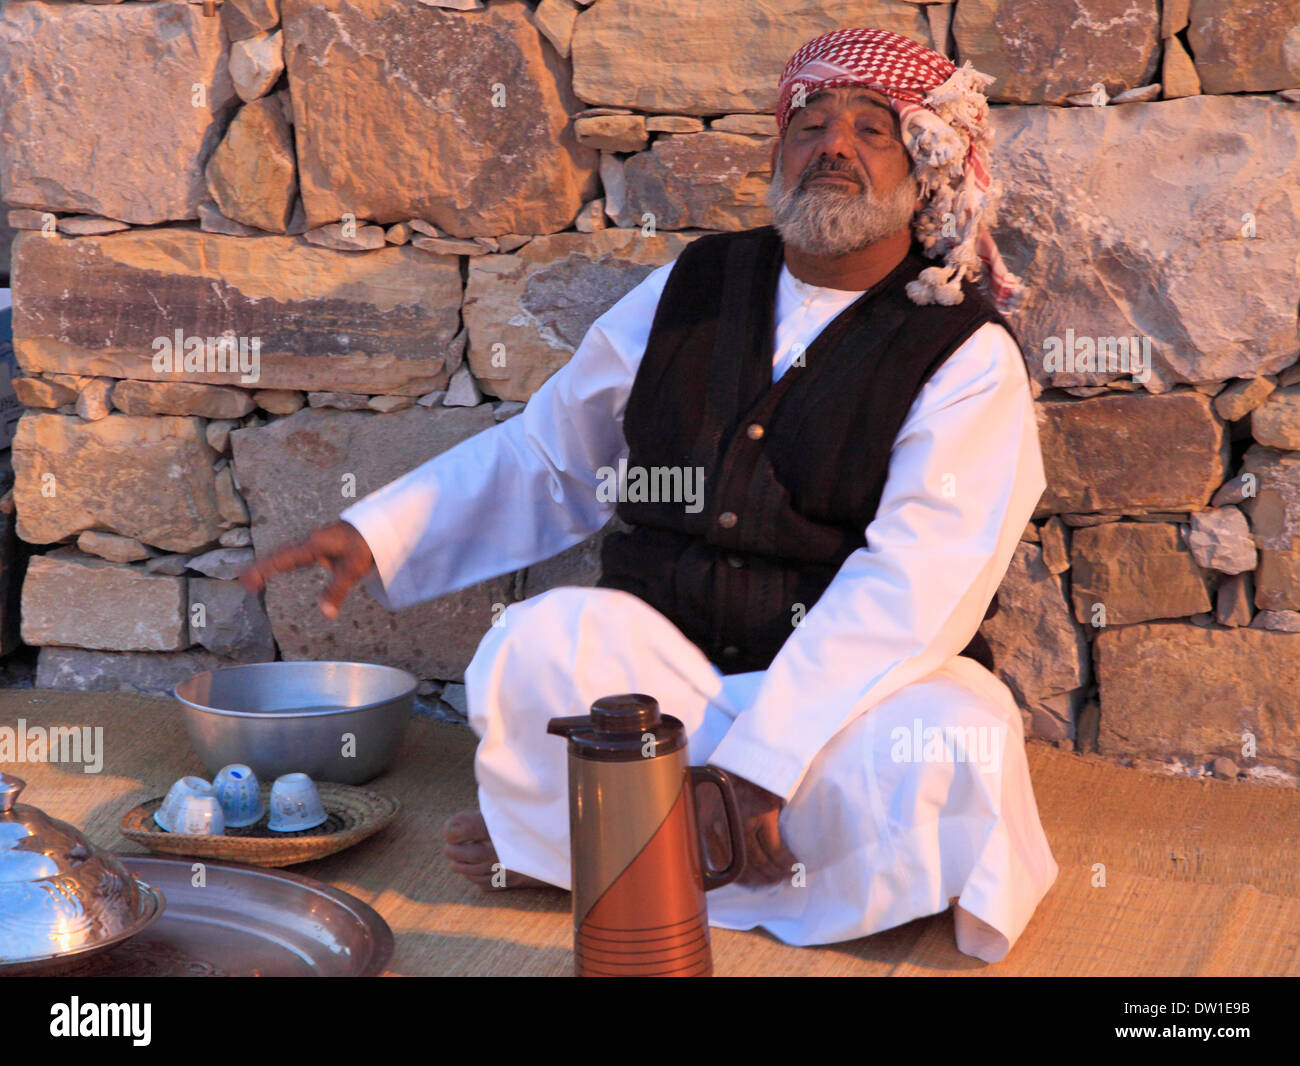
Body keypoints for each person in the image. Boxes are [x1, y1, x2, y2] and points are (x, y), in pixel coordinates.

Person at [238, 26, 1058, 964]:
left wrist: (763, 766)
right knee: (541, 643)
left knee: (956, 736)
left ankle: (611, 847)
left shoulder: (963, 349)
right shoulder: (699, 286)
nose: (834, 145)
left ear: (929, 172)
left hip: (844, 704)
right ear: (779, 152)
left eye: (874, 130)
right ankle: (679, 845)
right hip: (671, 687)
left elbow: (915, 583)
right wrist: (380, 532)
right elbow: (554, 454)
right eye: (811, 122)